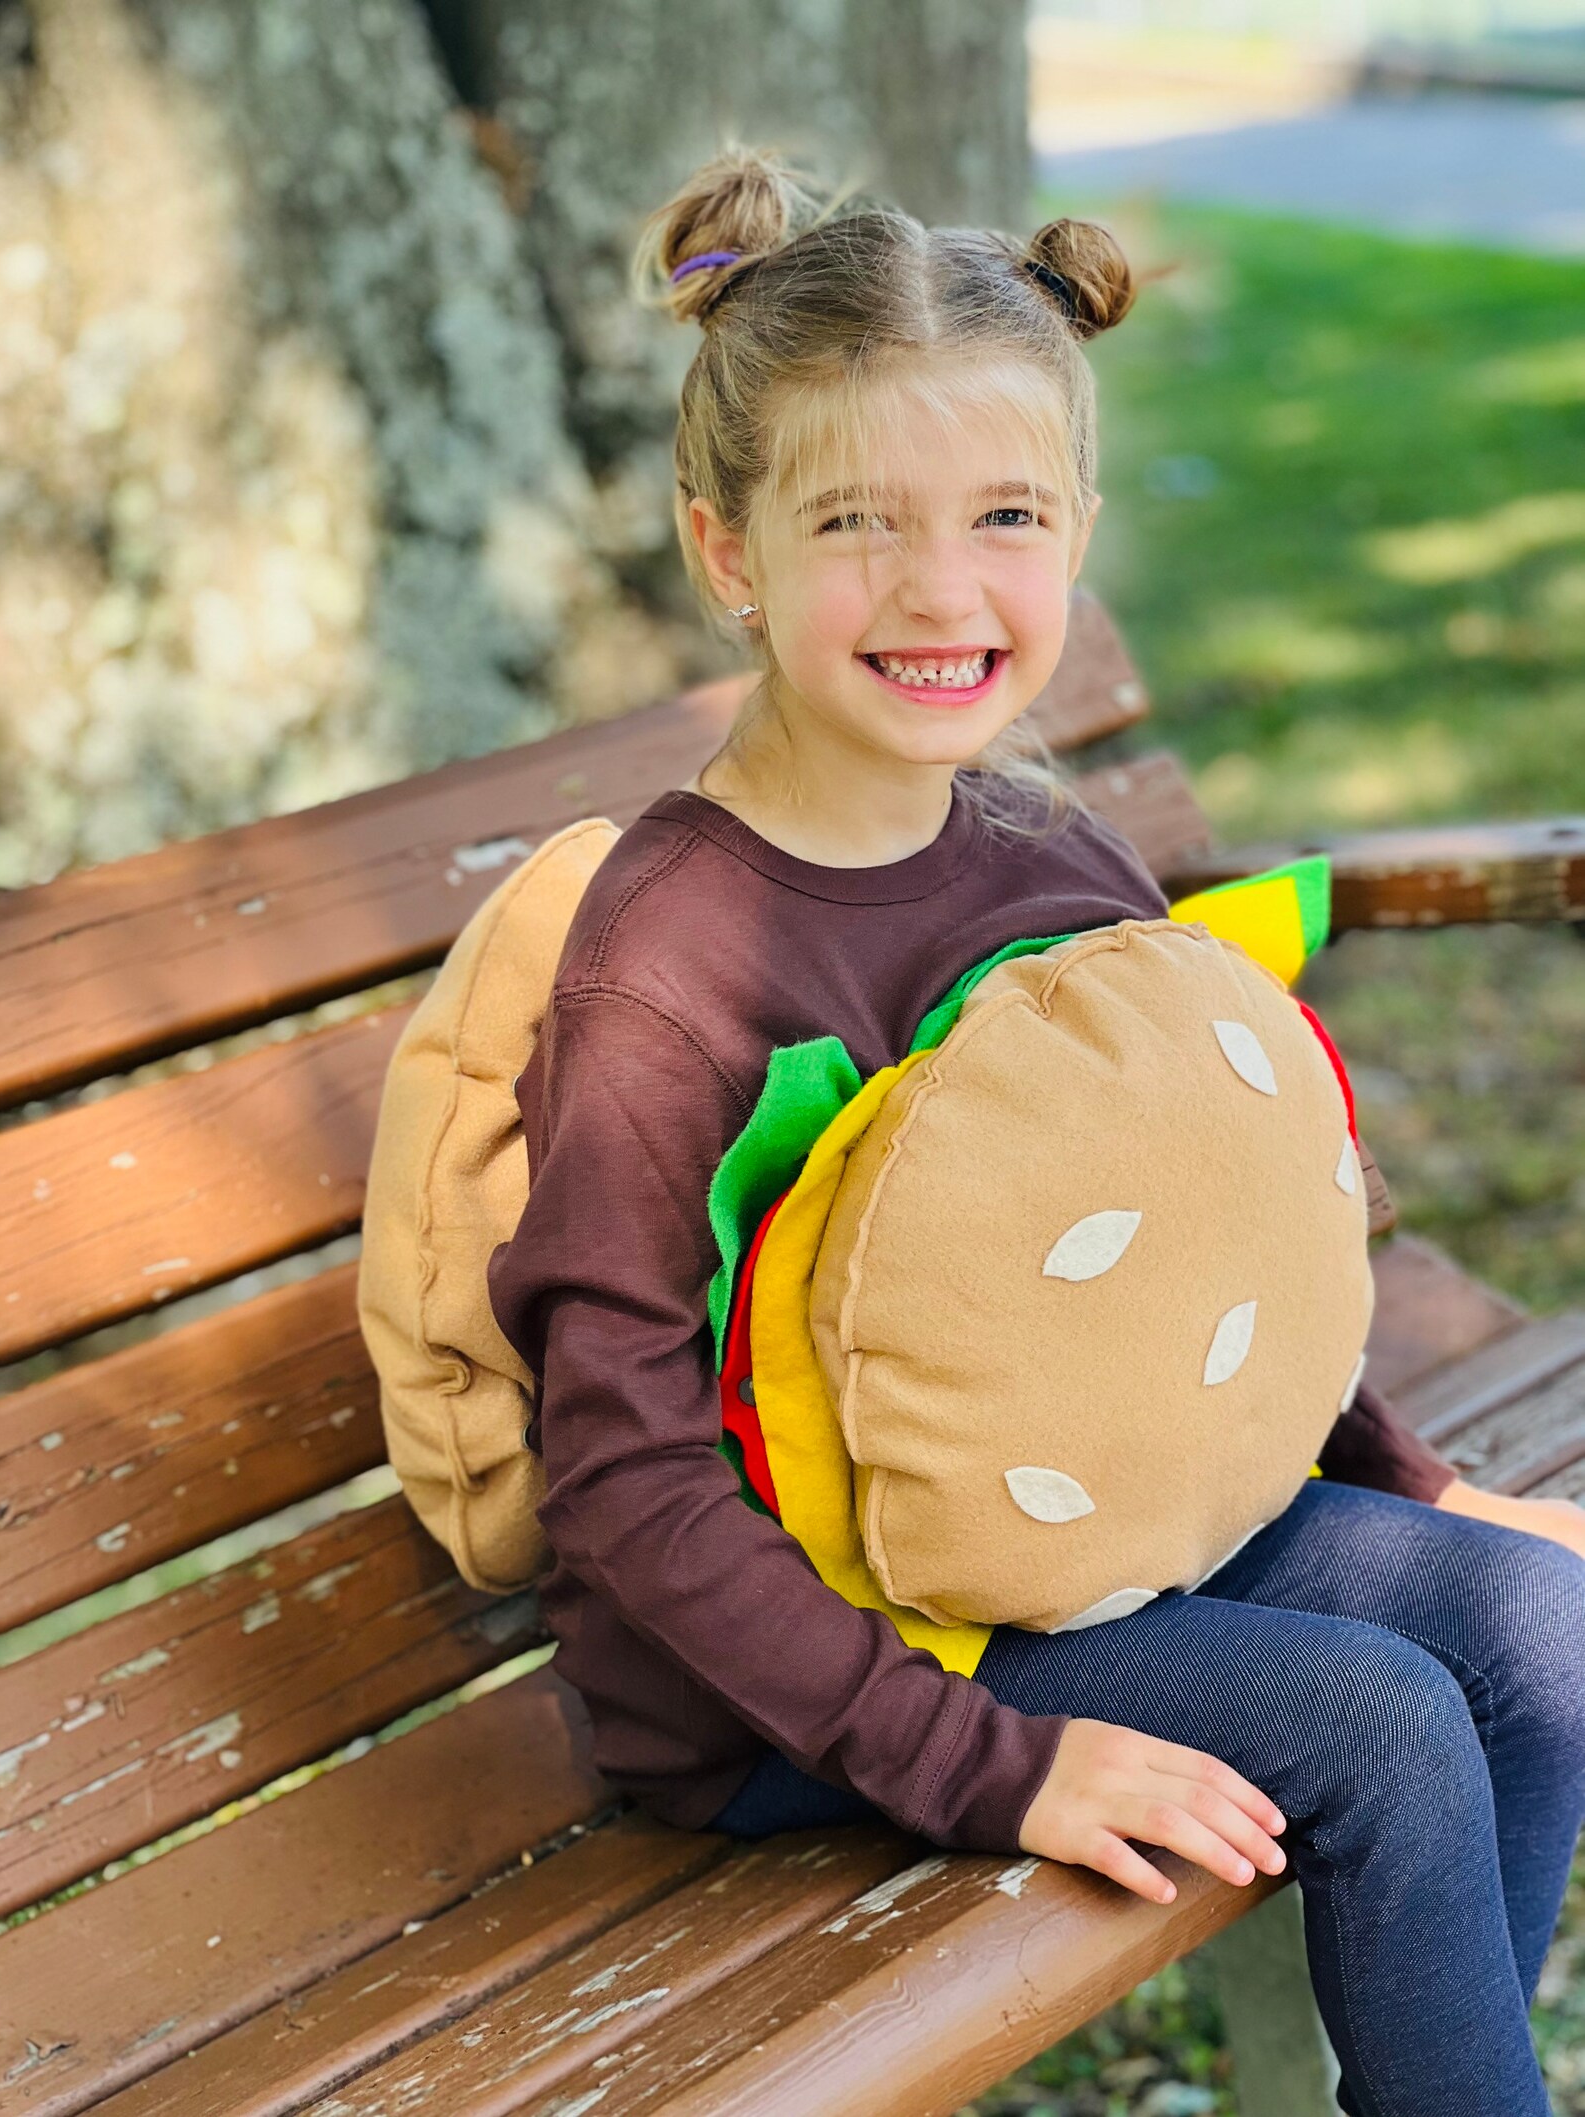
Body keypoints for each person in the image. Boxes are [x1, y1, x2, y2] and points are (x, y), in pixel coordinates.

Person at [487, 143, 1585, 2116]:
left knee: (1536, 1631)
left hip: (1080, 1528)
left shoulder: (1044, 850)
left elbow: (1206, 1228)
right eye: (854, 522)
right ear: (726, 551)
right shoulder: (670, 966)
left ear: (1073, 526)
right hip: (816, 1655)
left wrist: (1419, 1493)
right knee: (1380, 1725)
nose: (939, 588)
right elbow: (620, 1473)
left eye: (1001, 515)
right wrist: (992, 1765)